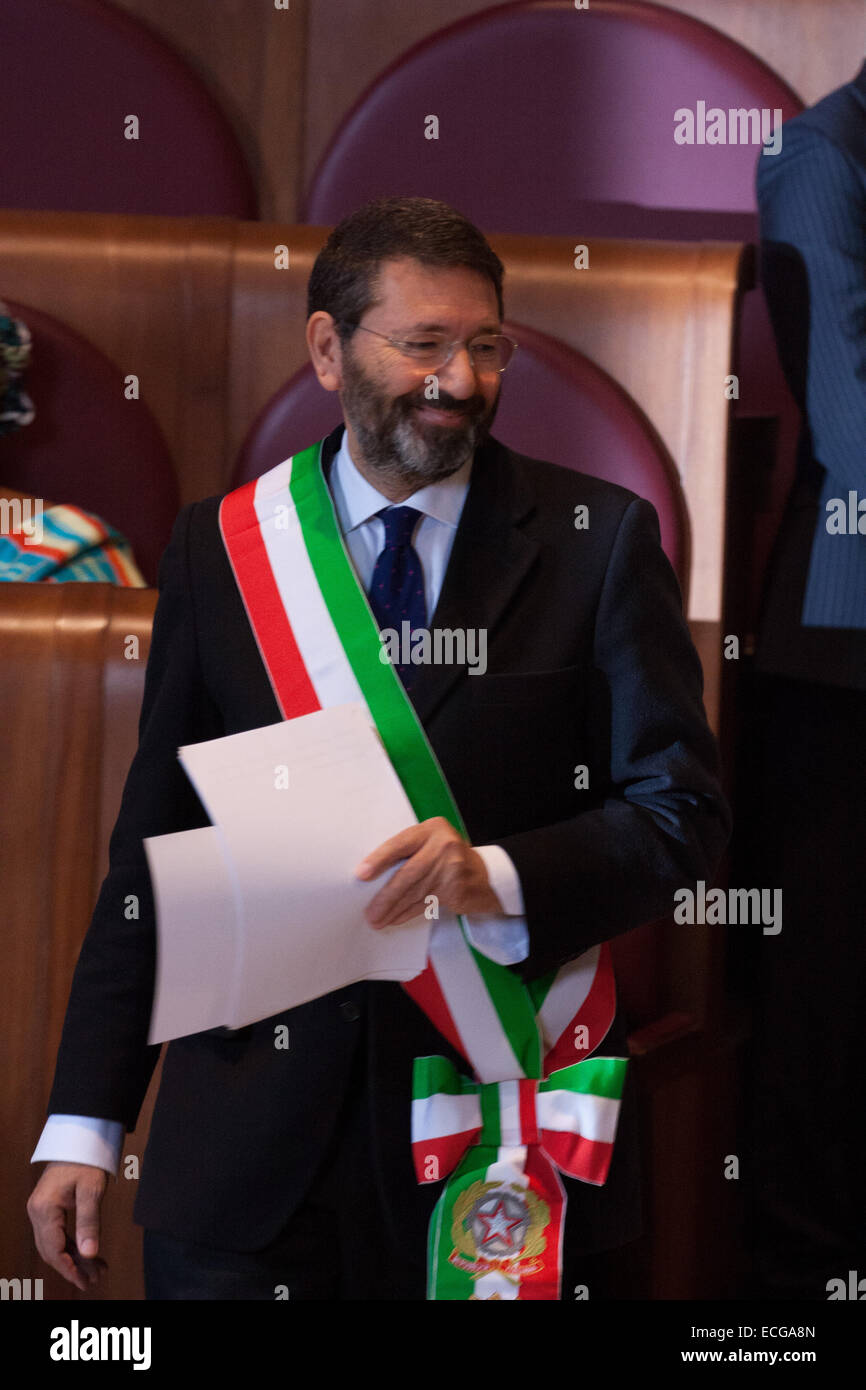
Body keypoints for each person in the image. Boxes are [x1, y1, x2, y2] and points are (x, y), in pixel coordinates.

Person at [27, 197, 729, 1300]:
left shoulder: (599, 543)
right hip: (246, 1158)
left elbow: (679, 814)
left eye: (484, 346)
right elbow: (150, 857)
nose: (457, 378)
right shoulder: (221, 551)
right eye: (421, 344)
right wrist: (85, 1117)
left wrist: (489, 876)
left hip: (488, 1132)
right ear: (325, 348)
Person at [742, 62, 866, 1299]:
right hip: (848, 639)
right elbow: (854, 417)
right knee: (825, 1001)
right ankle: (805, 1295)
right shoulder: (824, 154)